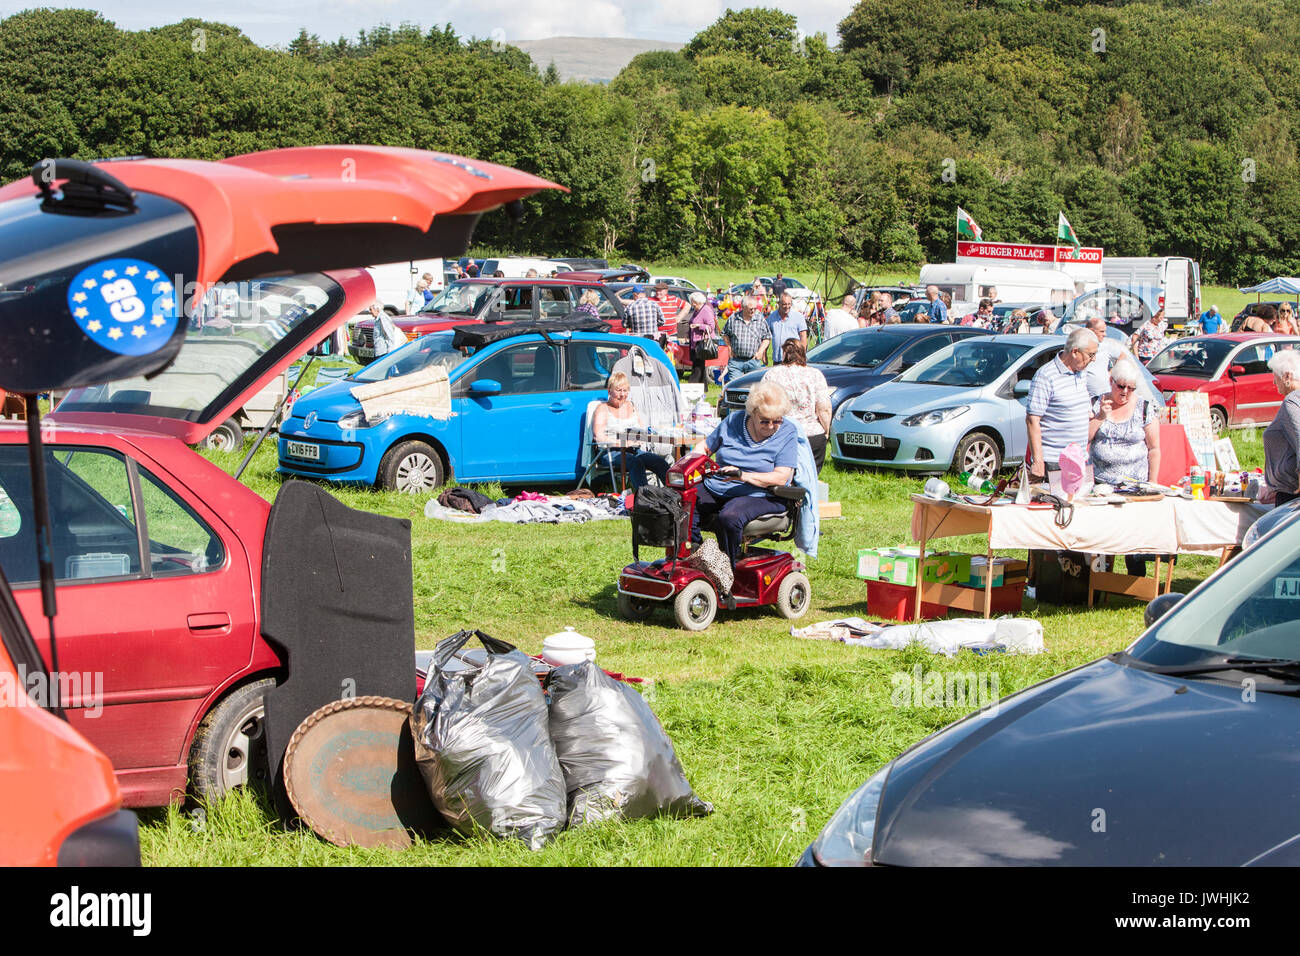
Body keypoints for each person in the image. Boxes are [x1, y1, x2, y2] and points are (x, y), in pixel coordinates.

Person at [690, 381, 800, 586]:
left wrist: (743, 475)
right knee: (683, 499)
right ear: (752, 413)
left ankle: (725, 573)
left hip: (763, 494)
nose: (770, 426)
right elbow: (705, 446)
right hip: (720, 486)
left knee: (730, 516)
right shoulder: (733, 421)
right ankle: (696, 554)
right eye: (764, 421)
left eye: (776, 421)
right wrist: (692, 461)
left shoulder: (788, 432)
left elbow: (781, 476)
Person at [1089, 357, 1164, 575]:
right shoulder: (1096, 403)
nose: (1125, 393)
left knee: (1134, 535)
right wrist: (1101, 417)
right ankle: (1100, 579)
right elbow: (1084, 438)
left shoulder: (1144, 407)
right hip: (1102, 484)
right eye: (1121, 386)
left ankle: (1136, 579)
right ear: (1111, 381)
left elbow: (1154, 448)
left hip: (1135, 485)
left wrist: (1153, 482)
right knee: (1102, 535)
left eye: (1131, 388)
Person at [1026, 327, 1098, 477]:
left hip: (1078, 459)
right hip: (1053, 461)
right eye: (1091, 355)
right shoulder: (1046, 375)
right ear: (1075, 351)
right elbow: (1032, 420)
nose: (1094, 359)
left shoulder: (1081, 374)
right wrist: (1038, 461)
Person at [762, 339, 831, 470]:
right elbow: (824, 408)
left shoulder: (772, 375)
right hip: (811, 434)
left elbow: (762, 406)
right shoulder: (815, 374)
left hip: (780, 433)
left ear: (784, 354)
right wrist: (826, 430)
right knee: (810, 477)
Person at [592, 372, 669, 490]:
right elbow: (599, 436)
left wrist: (642, 438)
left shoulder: (631, 406)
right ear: (609, 390)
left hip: (634, 450)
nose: (622, 394)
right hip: (611, 451)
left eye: (625, 390)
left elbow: (642, 430)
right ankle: (645, 498)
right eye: (618, 390)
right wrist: (621, 443)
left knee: (659, 461)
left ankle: (675, 495)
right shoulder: (603, 409)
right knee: (635, 462)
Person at [1263, 349, 1300, 507]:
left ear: (1287, 377)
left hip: (1291, 493)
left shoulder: (1291, 401)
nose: (1273, 382)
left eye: (1275, 377)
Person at [722, 295, 771, 382]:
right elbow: (725, 334)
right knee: (735, 387)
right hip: (736, 361)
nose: (753, 311)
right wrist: (730, 348)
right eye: (750, 309)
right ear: (743, 308)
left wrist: (760, 352)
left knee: (754, 389)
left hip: (753, 361)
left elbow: (767, 337)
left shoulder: (760, 319)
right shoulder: (733, 318)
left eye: (755, 308)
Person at [1084, 315, 1129, 397]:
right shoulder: (1080, 345)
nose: (1105, 334)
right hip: (1086, 395)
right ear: (1091, 331)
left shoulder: (1105, 345)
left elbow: (1123, 355)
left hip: (1104, 393)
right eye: (1102, 331)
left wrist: (1111, 372)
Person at [684, 291, 718, 384]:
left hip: (702, 343)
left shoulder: (705, 310)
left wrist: (698, 325)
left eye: (693, 302)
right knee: (699, 366)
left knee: (697, 366)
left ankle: (692, 385)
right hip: (695, 342)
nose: (692, 304)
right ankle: (702, 387)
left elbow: (711, 327)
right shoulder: (696, 311)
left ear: (698, 301)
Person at [767, 291, 807, 364]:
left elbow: (803, 336)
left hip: (794, 359)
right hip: (777, 359)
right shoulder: (771, 318)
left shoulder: (798, 317)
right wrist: (764, 354)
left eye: (789, 304)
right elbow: (766, 337)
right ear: (779, 304)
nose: (787, 306)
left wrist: (802, 355)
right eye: (784, 304)